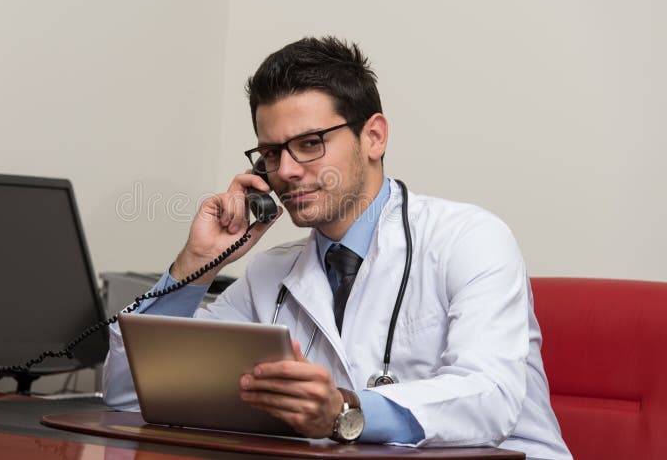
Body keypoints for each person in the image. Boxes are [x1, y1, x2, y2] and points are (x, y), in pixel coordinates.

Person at [103, 37, 572, 459]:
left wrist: (343, 410)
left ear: (373, 137)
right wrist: (197, 266)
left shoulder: (470, 239)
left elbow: (489, 396)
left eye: (309, 143)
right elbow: (130, 397)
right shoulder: (269, 275)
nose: (285, 170)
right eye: (270, 152)